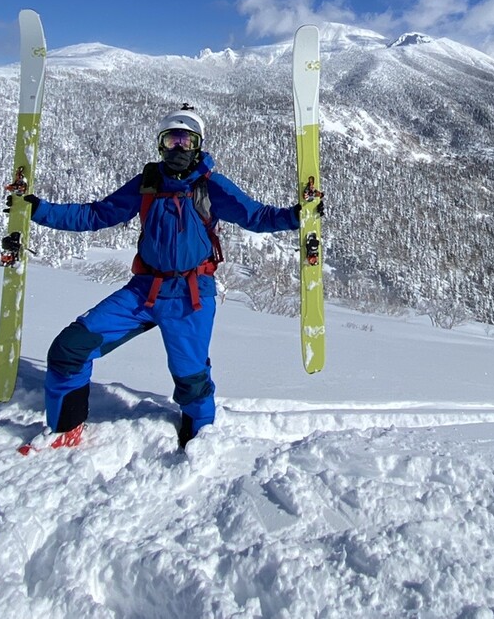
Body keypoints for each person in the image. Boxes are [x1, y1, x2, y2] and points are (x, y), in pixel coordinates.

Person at [17, 104, 304, 453]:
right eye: (172, 140)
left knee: (191, 377)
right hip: (143, 291)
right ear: (160, 144)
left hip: (190, 295)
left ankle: (200, 436)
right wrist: (39, 210)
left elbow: (256, 216)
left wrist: (296, 216)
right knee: (69, 348)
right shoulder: (147, 185)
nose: (178, 148)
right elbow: (96, 214)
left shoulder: (210, 187)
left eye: (186, 141)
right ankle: (64, 428)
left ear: (198, 145)